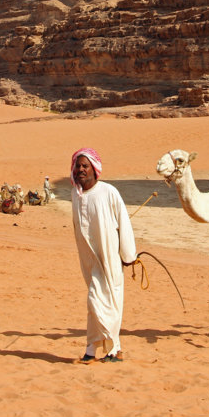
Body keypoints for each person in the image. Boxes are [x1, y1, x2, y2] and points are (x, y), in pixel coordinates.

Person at [70, 147, 136, 364]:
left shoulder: (109, 192)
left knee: (102, 302)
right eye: (78, 166)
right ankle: (94, 349)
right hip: (90, 261)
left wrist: (128, 255)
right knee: (96, 302)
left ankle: (112, 348)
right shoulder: (75, 194)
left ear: (94, 169)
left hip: (110, 259)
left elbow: (124, 224)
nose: (81, 169)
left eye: (85, 166)